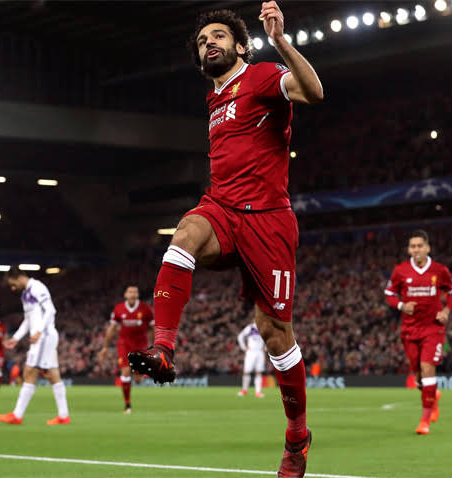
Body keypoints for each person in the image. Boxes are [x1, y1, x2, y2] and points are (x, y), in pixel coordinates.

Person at [127, 3, 323, 476]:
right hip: (222, 209)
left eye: (217, 36)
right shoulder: (214, 100)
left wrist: (280, 41)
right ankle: (163, 350)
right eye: (201, 41)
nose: (208, 43)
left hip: (269, 221)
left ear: (239, 44)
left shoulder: (261, 76)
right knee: (185, 233)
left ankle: (297, 435)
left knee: (275, 334)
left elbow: (313, 92)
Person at [385, 230, 452, 435]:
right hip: (409, 329)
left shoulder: (439, 270)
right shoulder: (400, 270)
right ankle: (433, 396)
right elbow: (389, 294)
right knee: (418, 377)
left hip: (433, 328)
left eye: (420, 246)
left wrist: (446, 311)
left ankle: (424, 421)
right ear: (409, 249)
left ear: (427, 248)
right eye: (413, 246)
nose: (416, 249)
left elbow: (451, 292)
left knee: (427, 368)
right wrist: (401, 305)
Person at [0, 270, 70, 425]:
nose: (13, 288)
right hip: (41, 337)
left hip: (44, 337)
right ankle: (63, 416)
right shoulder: (25, 295)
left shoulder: (37, 287)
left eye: (13, 284)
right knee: (52, 375)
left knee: (29, 371)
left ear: (18, 277)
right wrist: (16, 338)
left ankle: (17, 415)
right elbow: (28, 320)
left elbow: (51, 310)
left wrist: (39, 331)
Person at [99, 286, 153, 414]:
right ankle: (127, 404)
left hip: (141, 345)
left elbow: (153, 328)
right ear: (125, 295)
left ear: (138, 295)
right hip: (124, 344)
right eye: (130, 292)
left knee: (138, 379)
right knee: (125, 371)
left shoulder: (146, 309)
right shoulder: (119, 308)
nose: (132, 294)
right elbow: (112, 328)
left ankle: (139, 373)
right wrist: (105, 347)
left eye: (135, 292)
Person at [237, 322, 267, 398]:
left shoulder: (264, 327)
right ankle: (244, 390)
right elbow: (240, 336)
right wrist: (244, 347)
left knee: (258, 372)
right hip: (251, 352)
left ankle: (258, 392)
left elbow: (270, 338)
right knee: (247, 371)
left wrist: (266, 348)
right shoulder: (250, 327)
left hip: (260, 352)